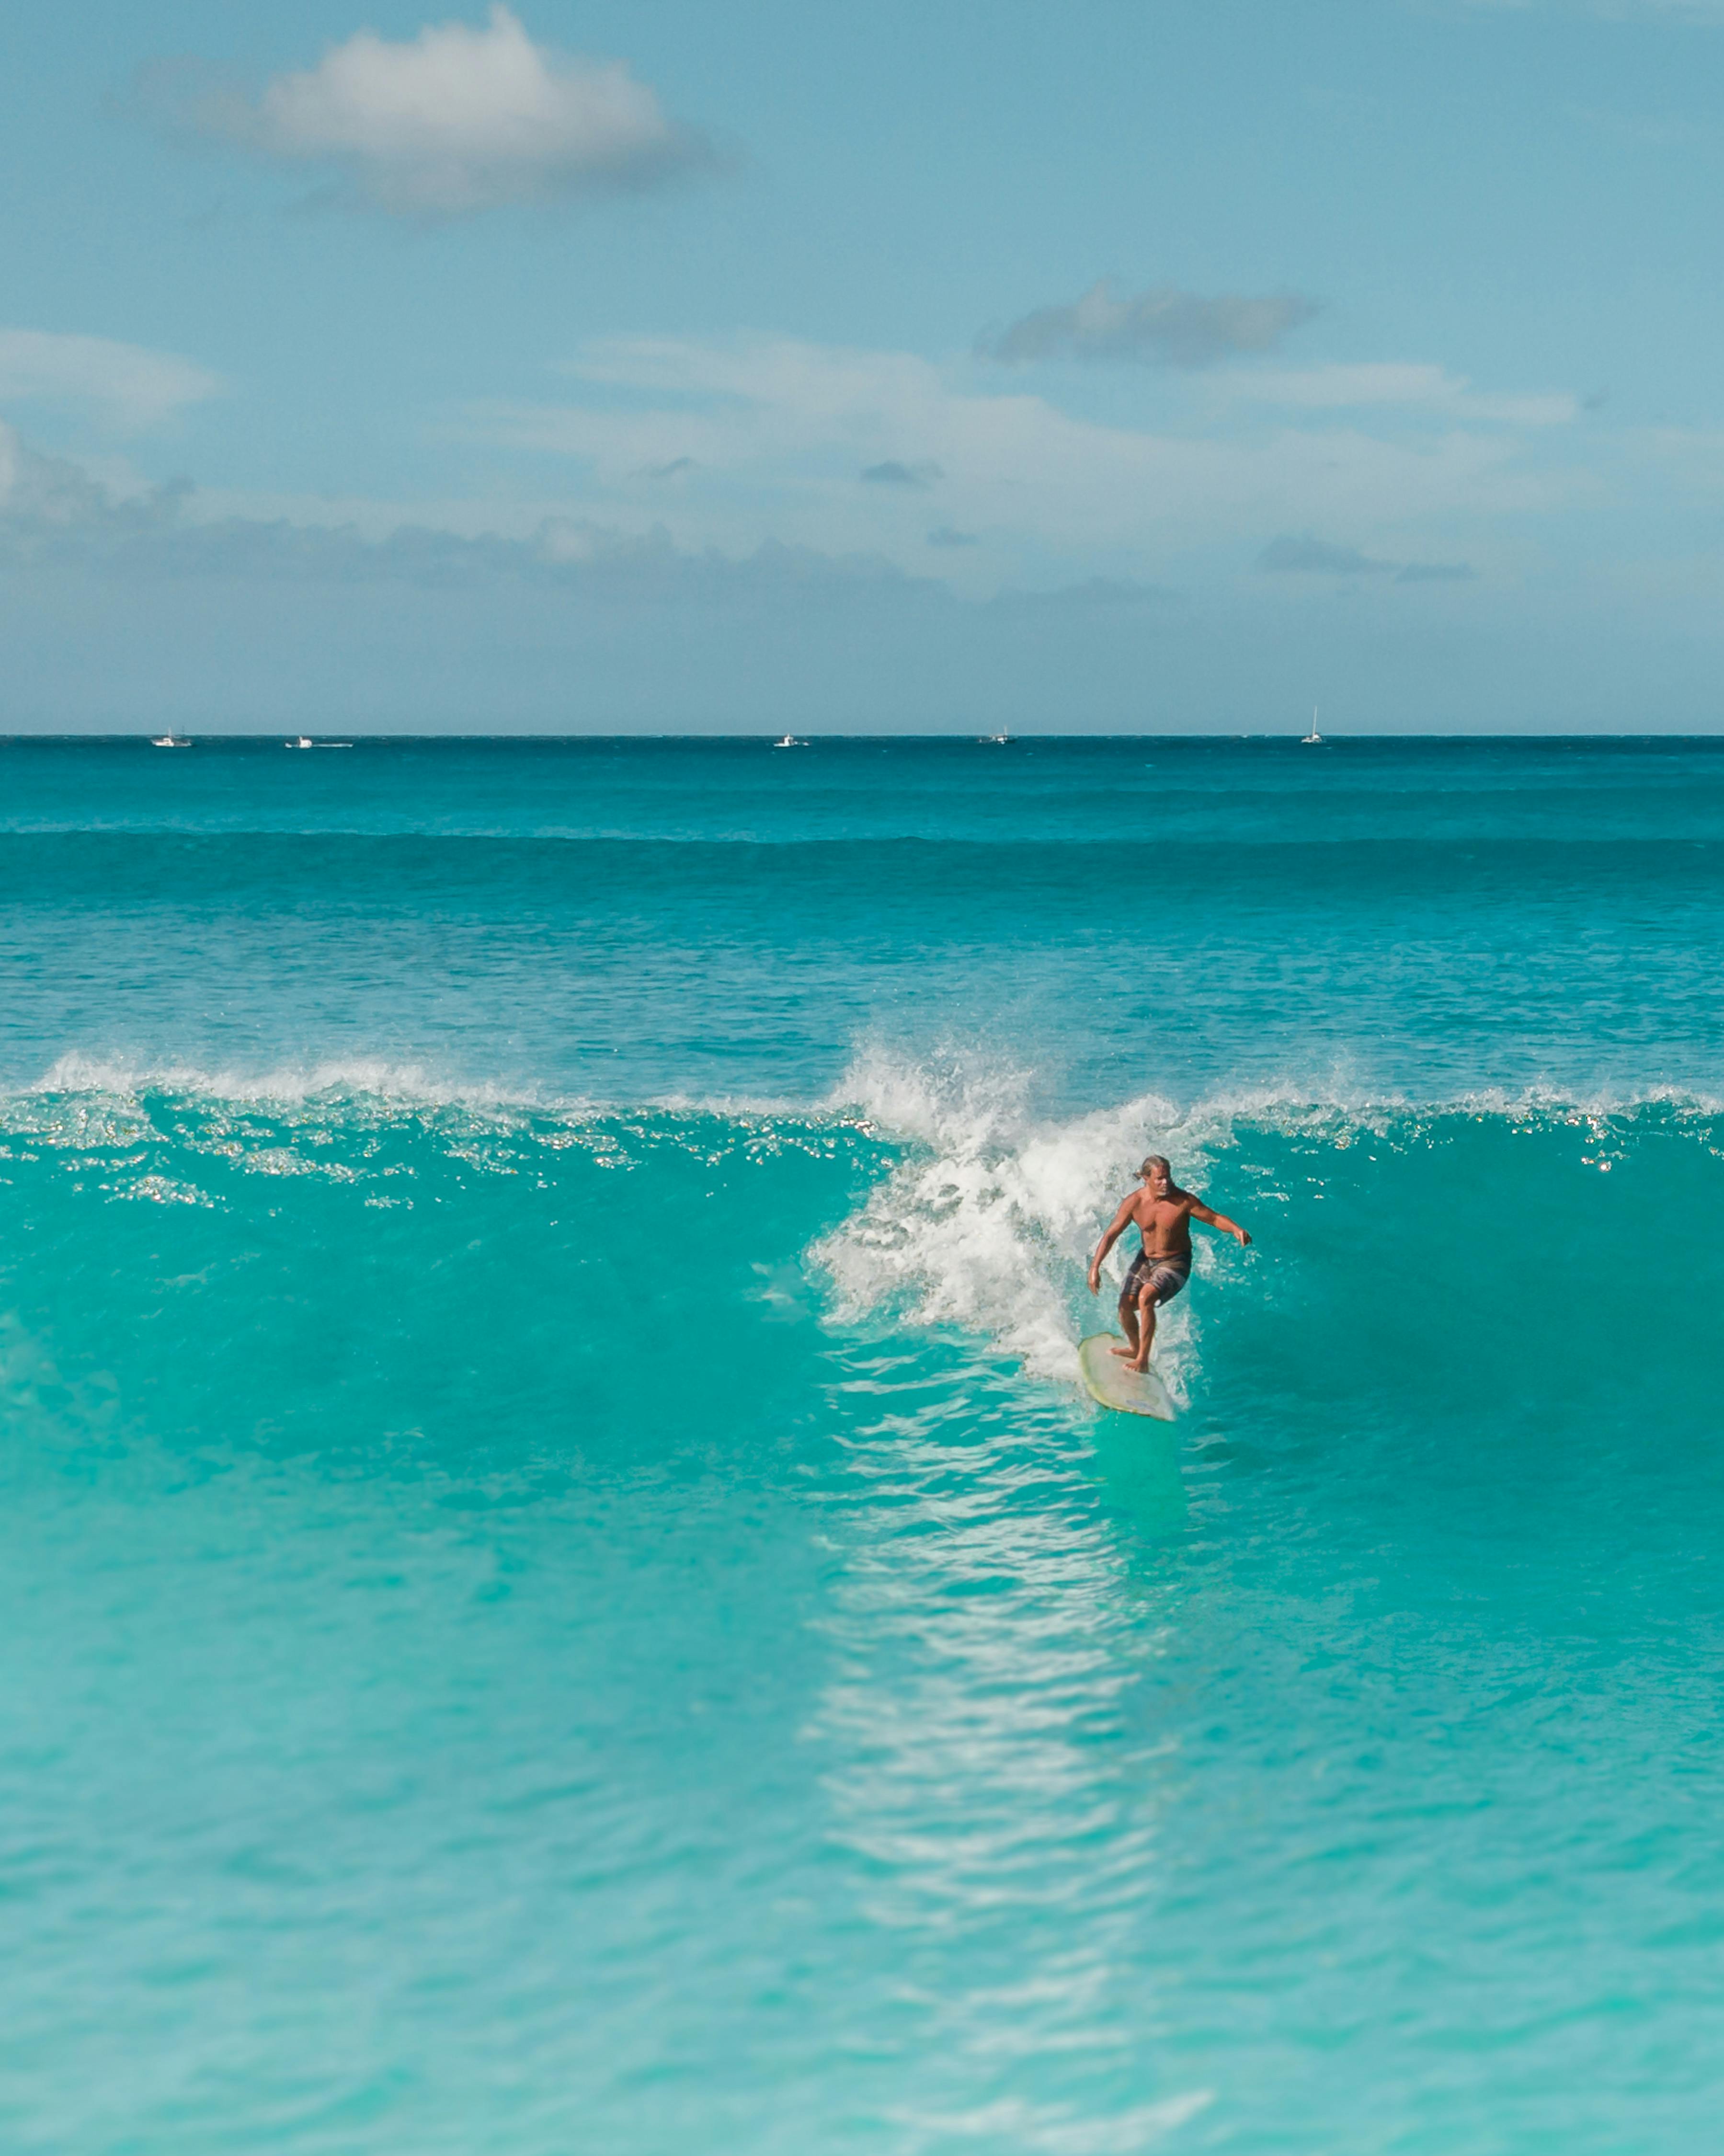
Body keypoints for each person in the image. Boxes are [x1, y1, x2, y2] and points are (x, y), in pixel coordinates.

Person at [1086, 1154, 1251, 1373]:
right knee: (1126, 1306)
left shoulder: (1183, 1201)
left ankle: (1143, 1360)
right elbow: (1111, 1234)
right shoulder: (1134, 1202)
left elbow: (1213, 1218)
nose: (1166, 1183)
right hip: (1147, 1258)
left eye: (1168, 1178)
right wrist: (1095, 1267)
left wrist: (1236, 1229)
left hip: (1176, 1261)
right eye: (1160, 1179)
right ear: (1146, 1178)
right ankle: (1135, 1349)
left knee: (1146, 1298)